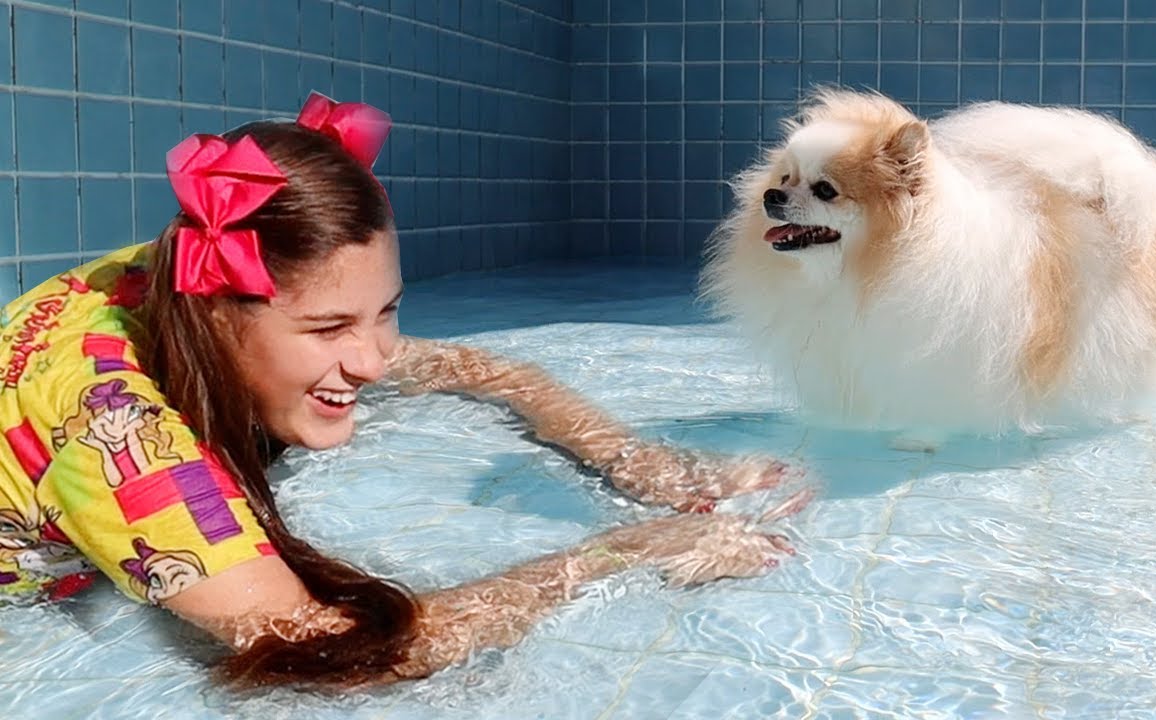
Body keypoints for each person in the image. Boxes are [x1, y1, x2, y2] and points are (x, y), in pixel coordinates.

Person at [0, 93, 809, 688]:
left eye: (385, 311)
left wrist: (632, 458)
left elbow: (488, 370)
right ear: (219, 320)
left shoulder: (197, 276)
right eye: (329, 330)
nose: (375, 359)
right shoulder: (130, 443)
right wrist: (620, 550)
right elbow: (343, 649)